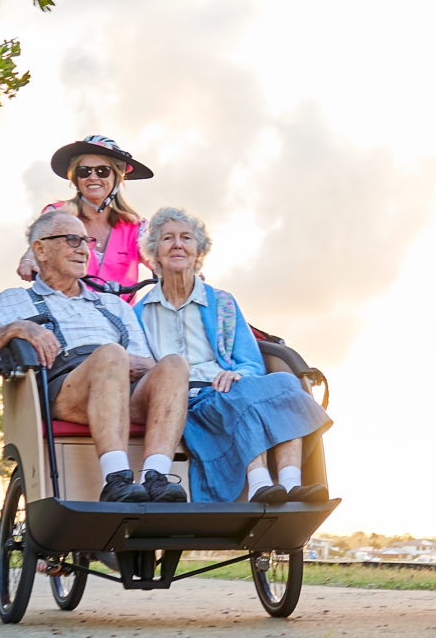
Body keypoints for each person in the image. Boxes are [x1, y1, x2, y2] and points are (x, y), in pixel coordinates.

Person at [0, 210, 190, 503]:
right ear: (40, 249)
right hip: (64, 389)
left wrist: (122, 363)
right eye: (72, 240)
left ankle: (155, 477)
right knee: (110, 354)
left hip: (124, 384)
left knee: (174, 364)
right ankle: (116, 479)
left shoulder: (113, 305)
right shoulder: (12, 302)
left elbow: (144, 363)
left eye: (86, 241)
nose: (84, 249)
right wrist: (14, 328)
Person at [133, 206, 332, 504]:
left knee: (286, 383)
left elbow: (251, 361)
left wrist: (238, 373)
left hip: (229, 385)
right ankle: (259, 485)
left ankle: (291, 484)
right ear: (155, 253)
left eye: (186, 237)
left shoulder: (223, 303)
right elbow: (141, 372)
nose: (177, 244)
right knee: (235, 397)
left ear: (198, 250)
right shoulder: (139, 312)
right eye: (167, 239)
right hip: (184, 401)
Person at [17, 135, 153, 301]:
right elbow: (39, 242)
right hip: (65, 314)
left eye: (103, 171)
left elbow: (158, 258)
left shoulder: (135, 227)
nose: (93, 177)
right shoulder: (58, 214)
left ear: (116, 177)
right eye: (84, 171)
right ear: (76, 178)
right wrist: (29, 259)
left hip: (119, 320)